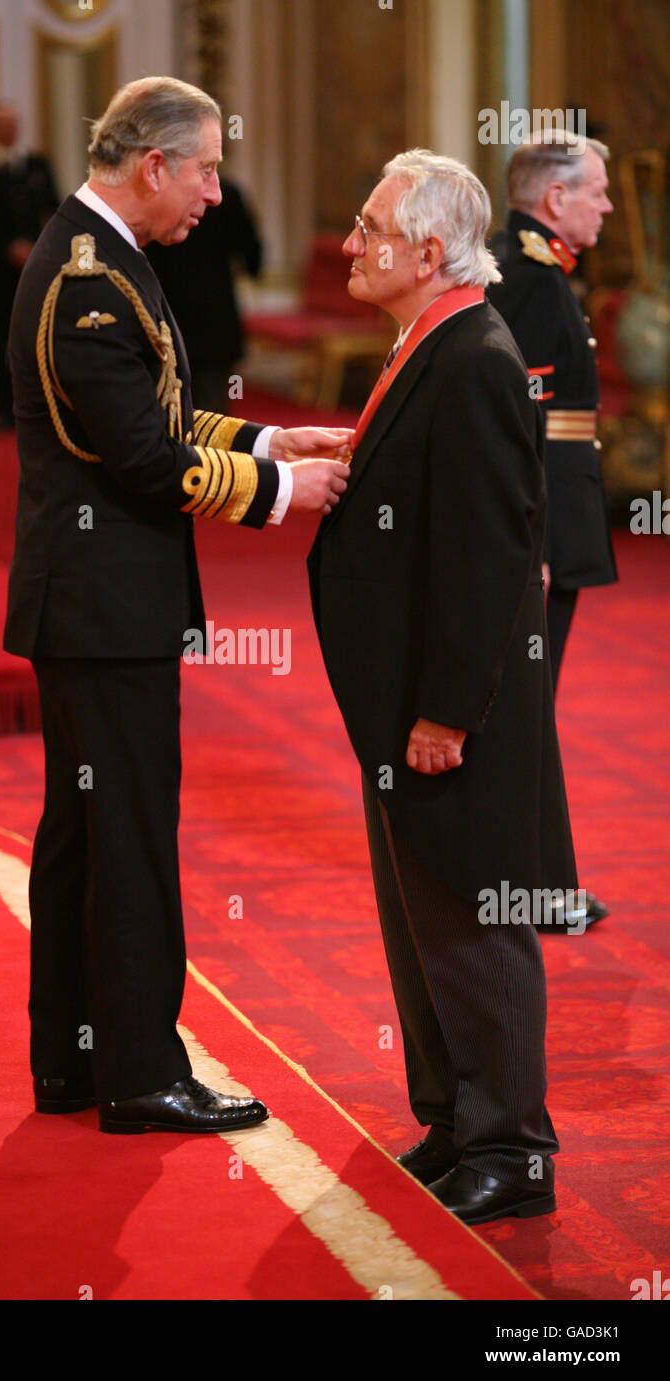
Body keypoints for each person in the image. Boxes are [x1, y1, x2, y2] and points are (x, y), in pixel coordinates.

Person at [3, 77, 351, 1134]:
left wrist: (259, 439)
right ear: (151, 164)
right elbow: (145, 460)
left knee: (83, 832)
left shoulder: (102, 259)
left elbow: (149, 415)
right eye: (203, 169)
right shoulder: (90, 280)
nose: (211, 192)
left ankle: (72, 1063)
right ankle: (143, 1073)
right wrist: (284, 493)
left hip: (93, 602)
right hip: (104, 610)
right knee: (131, 837)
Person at [308, 149, 576, 1224]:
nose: (349, 244)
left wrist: (443, 712)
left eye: (368, 227)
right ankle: (457, 1118)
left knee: (471, 920)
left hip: (447, 710)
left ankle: (512, 1144)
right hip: (406, 701)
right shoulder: (433, 338)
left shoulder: (470, 354)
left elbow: (486, 554)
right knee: (422, 917)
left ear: (428, 251)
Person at [488, 131, 617, 932]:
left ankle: (540, 883)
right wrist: (530, 548)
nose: (607, 205)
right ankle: (535, 890)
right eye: (596, 191)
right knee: (524, 712)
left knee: (530, 709)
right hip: (539, 533)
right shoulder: (531, 282)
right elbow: (519, 427)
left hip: (550, 528)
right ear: (554, 199)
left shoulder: (543, 271)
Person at [146, 174, 263, 414]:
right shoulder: (227, 195)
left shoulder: (159, 195)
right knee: (213, 414)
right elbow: (252, 254)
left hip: (166, 316)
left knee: (169, 411)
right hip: (214, 317)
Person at [0, 102, 60, 427]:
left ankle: (41, 403)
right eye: (1, 123)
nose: (8, 129)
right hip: (0, 271)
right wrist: (7, 248)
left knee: (39, 334)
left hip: (36, 266)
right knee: (4, 339)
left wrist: (39, 248)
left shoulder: (36, 165)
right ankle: (5, 408)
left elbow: (54, 210)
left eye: (13, 123)